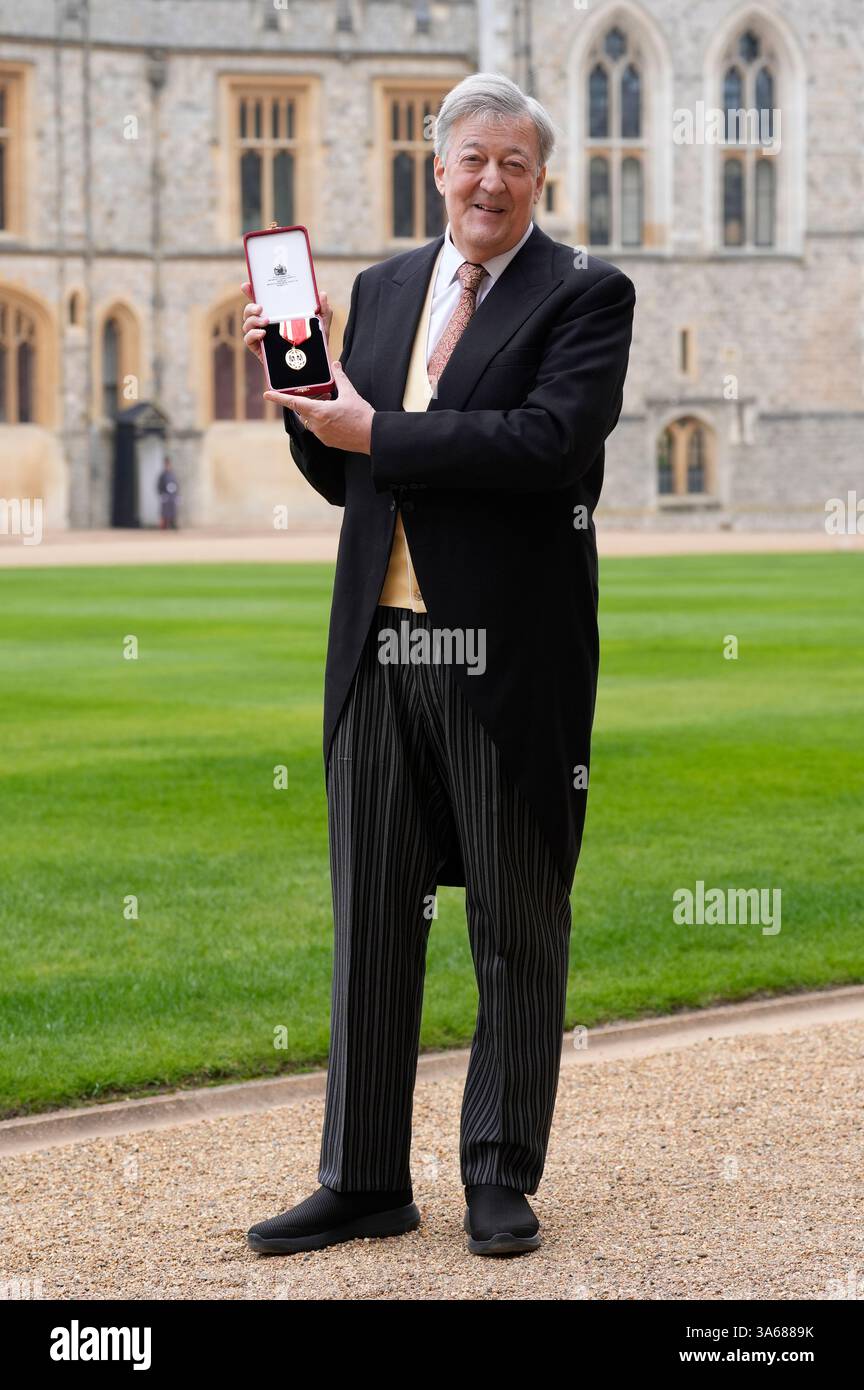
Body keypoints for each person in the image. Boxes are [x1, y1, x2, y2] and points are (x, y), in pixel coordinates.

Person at [241, 72, 635, 1257]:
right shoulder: (386, 286)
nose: (491, 181)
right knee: (372, 917)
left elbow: (547, 445)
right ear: (437, 166)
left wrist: (377, 430)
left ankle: (499, 1172)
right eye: (472, 158)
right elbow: (360, 477)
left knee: (515, 922)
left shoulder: (585, 294)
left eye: (515, 162)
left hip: (505, 655)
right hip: (377, 644)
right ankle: (363, 1175)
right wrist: (309, 408)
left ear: (540, 178)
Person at [156, 457, 179, 530]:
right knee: (165, 512)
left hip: (172, 495)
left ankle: (173, 524)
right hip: (165, 495)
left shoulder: (172, 474)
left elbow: (176, 484)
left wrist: (177, 495)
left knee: (173, 511)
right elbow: (159, 485)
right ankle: (164, 526)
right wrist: (161, 494)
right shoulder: (163, 475)